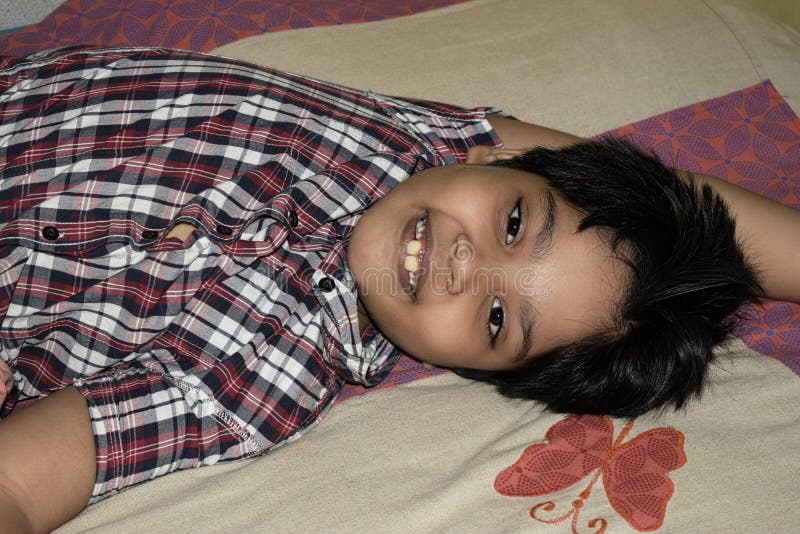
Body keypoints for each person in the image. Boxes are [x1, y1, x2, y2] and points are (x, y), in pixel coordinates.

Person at [0, 47, 797, 532]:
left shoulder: (264, 377)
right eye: (515, 223)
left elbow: (25, 487)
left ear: (476, 371)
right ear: (501, 160)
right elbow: (702, 211)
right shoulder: (427, 140)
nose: (464, 264)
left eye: (494, 317)